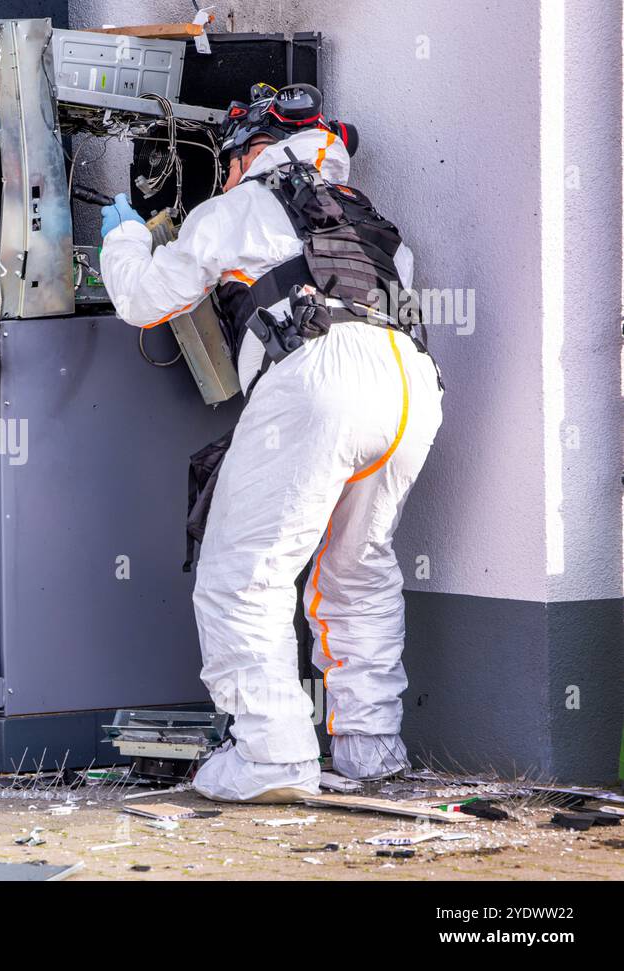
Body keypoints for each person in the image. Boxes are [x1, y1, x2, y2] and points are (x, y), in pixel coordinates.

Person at [99, 83, 444, 802]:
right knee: (358, 571)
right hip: (410, 385)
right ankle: (370, 749)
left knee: (242, 578)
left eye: (227, 162)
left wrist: (124, 236)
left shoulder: (236, 209)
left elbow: (142, 299)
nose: (223, 176)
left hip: (318, 379)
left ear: (253, 152)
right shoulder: (376, 224)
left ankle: (273, 757)